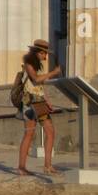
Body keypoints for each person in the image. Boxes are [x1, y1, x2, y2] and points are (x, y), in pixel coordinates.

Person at [16, 39, 61, 176]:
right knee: (29, 134)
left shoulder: (36, 65)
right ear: (37, 52)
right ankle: (22, 167)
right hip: (30, 103)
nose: (45, 57)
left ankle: (47, 165)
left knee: (50, 132)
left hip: (39, 102)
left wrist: (47, 100)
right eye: (44, 54)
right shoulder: (29, 64)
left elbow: (39, 87)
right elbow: (36, 80)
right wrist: (53, 73)